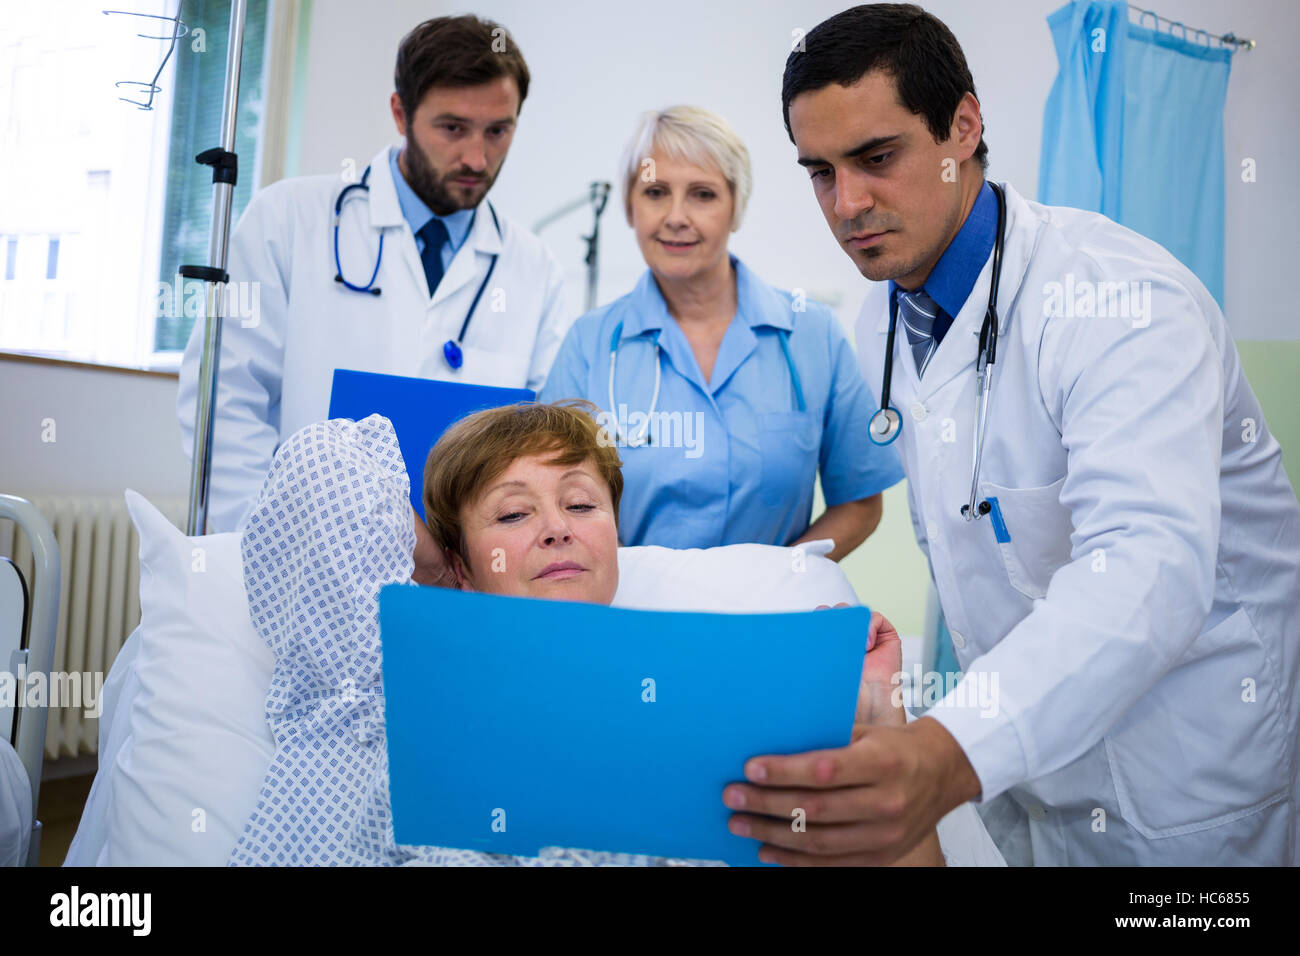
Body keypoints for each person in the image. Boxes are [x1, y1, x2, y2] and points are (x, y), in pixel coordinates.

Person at [723, 2, 1300, 866]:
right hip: (1033, 787)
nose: (848, 204)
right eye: (820, 171)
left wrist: (949, 753)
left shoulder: (1120, 303)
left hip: (1188, 786)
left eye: (877, 158)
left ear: (963, 125)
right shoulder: (882, 318)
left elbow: (1147, 566)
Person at [230, 405, 984, 865]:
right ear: (457, 560)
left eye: (582, 505)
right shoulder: (381, 690)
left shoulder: (715, 706)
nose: (557, 528)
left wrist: (878, 718)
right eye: (515, 514)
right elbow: (323, 464)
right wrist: (442, 574)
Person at [178, 15, 572, 534]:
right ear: (400, 112)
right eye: (452, 128)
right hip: (301, 557)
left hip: (463, 573)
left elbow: (544, 441)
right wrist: (265, 546)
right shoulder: (290, 220)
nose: (477, 157)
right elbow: (224, 405)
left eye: (498, 131)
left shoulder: (535, 270)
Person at [539, 107, 902, 560]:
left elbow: (860, 501)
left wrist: (776, 580)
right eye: (655, 192)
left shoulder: (813, 335)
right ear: (631, 209)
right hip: (629, 616)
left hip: (768, 619)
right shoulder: (589, 345)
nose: (676, 216)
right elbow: (550, 503)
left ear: (736, 208)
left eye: (702, 194)